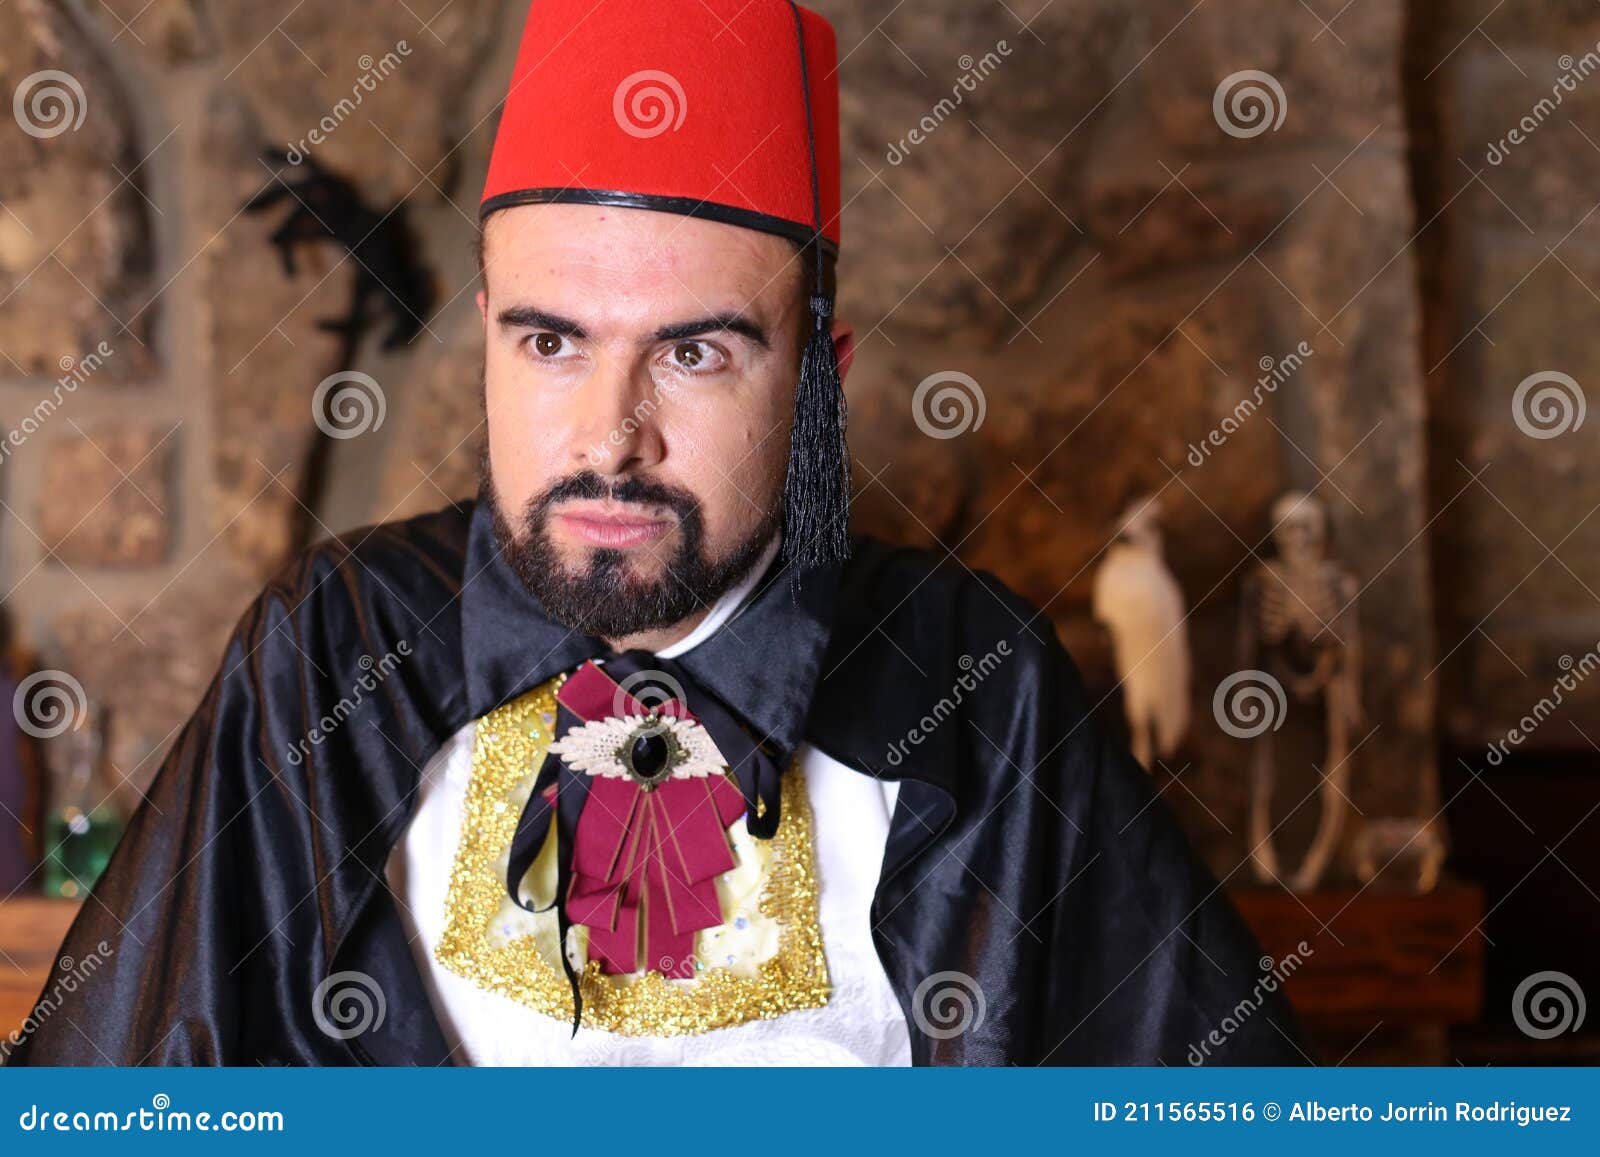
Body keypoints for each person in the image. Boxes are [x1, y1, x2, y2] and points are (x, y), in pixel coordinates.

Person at [4, 0, 1303, 1067]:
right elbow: (114, 1102)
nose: (609, 436)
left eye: (693, 352)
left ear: (815, 381)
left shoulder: (977, 684)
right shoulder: (329, 649)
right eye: (552, 341)